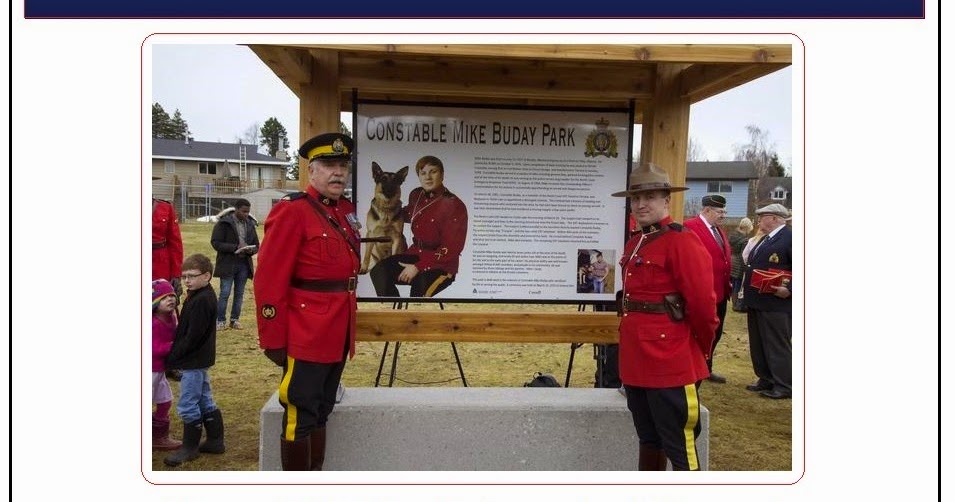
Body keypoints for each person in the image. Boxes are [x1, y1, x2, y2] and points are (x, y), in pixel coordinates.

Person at [254, 132, 362, 471]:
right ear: (311, 170)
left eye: (343, 165)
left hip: (337, 328)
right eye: (329, 165)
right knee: (300, 411)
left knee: (322, 407)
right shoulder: (293, 211)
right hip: (306, 332)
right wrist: (273, 338)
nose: (338, 173)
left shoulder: (345, 210)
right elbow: (269, 280)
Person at [610, 162, 719, 471]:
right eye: (636, 198)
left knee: (679, 445)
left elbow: (702, 305)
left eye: (651, 197)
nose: (642, 204)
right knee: (649, 439)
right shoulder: (635, 242)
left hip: (670, 358)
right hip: (636, 360)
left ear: (666, 200)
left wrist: (701, 350)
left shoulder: (682, 241)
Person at [370, 155, 468, 298]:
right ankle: (392, 316)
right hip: (415, 255)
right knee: (379, 271)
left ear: (442, 175)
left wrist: (418, 267)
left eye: (433, 171)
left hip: (441, 265)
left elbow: (451, 249)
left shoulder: (455, 205)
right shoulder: (417, 196)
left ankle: (412, 318)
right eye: (423, 173)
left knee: (418, 290)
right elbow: (406, 214)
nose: (427, 177)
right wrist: (383, 208)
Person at [164, 253, 226, 466]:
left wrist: (173, 357)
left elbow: (192, 336)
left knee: (189, 402)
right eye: (184, 277)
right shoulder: (198, 294)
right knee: (204, 398)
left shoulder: (202, 300)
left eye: (192, 276)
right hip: (199, 359)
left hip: (194, 361)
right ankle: (215, 441)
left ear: (207, 276)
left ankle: (190, 447)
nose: (187, 280)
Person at [741, 203, 793, 400]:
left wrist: (790, 290)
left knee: (776, 344)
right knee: (759, 343)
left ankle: (784, 384)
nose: (759, 221)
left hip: (775, 303)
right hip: (758, 300)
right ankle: (765, 378)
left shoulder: (790, 239)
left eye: (762, 217)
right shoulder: (765, 239)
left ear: (774, 218)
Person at [683, 195, 732, 384]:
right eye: (720, 212)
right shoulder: (691, 227)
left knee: (716, 333)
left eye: (724, 212)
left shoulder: (718, 230)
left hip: (720, 293)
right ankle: (697, 369)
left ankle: (706, 367)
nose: (723, 215)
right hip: (703, 293)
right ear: (707, 210)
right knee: (702, 334)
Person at [211, 198, 260, 330]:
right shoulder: (224, 223)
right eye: (243, 211)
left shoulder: (250, 224)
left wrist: (251, 250)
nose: (246, 214)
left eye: (248, 212)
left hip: (244, 264)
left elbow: (257, 245)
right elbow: (216, 243)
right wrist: (234, 247)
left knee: (239, 293)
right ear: (236, 209)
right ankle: (220, 320)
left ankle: (235, 320)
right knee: (225, 293)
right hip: (228, 263)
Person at [151, 279, 181, 451]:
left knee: (165, 399)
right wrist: (174, 346)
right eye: (164, 297)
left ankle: (159, 435)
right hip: (150, 370)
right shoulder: (153, 323)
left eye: (171, 295)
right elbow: (154, 349)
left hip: (160, 370)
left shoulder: (171, 317)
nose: (170, 299)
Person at [152, 196, 183, 296]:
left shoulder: (165, 207)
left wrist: (176, 273)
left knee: (162, 298)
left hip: (160, 264)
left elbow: (175, 243)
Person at [729, 217, 755, 312]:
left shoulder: (733, 235)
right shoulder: (745, 240)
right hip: (739, 263)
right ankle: (737, 305)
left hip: (733, 261)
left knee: (734, 284)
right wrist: (746, 267)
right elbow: (743, 255)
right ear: (747, 228)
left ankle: (734, 303)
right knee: (739, 285)